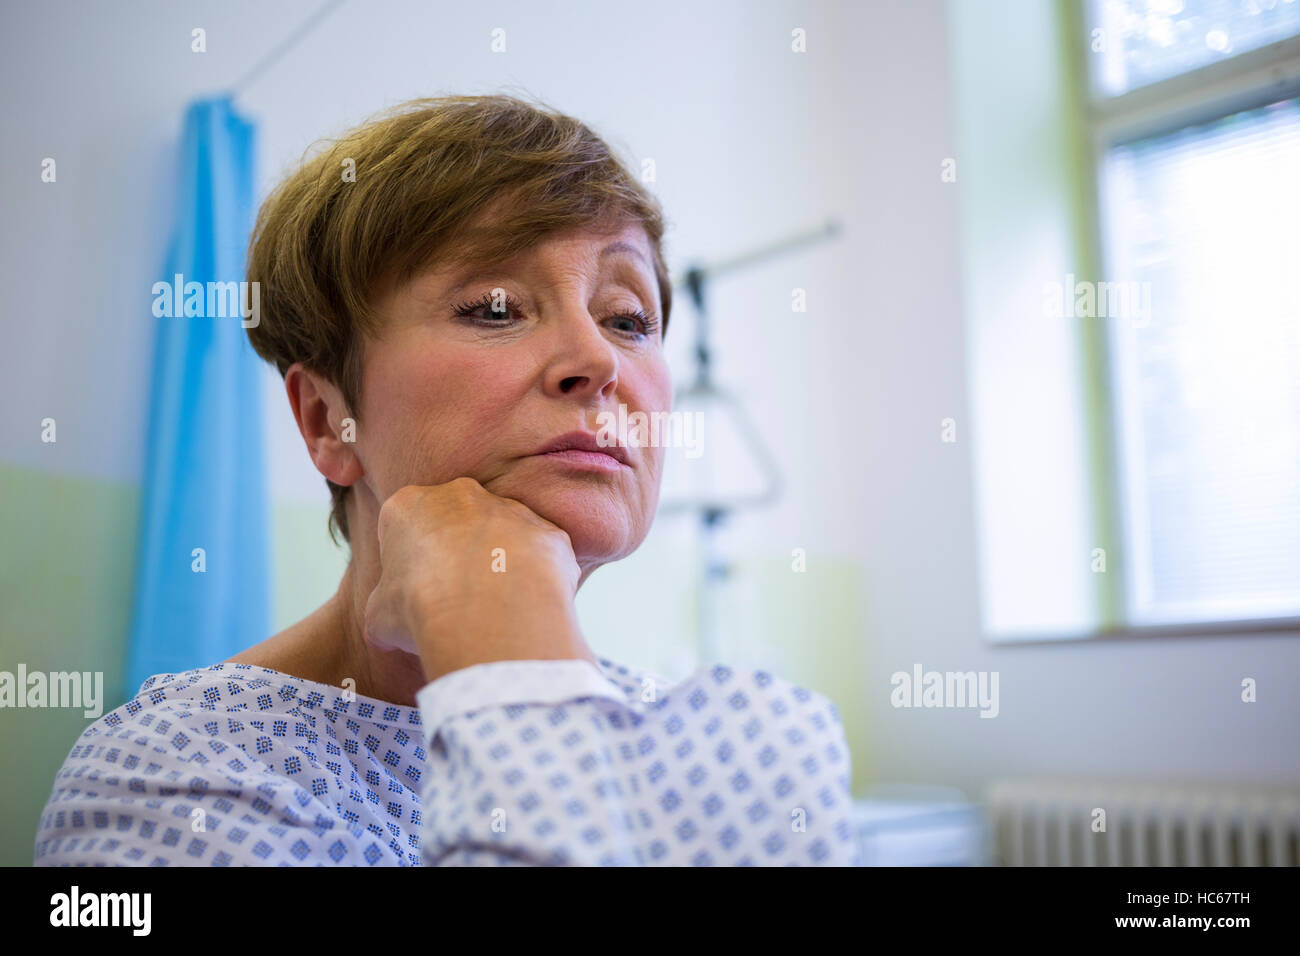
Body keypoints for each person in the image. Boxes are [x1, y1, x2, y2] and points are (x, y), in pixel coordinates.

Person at [34, 93, 859, 866]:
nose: (600, 361)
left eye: (628, 318)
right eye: (496, 307)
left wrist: (502, 631)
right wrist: (503, 634)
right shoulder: (167, 777)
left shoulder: (744, 750)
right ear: (328, 421)